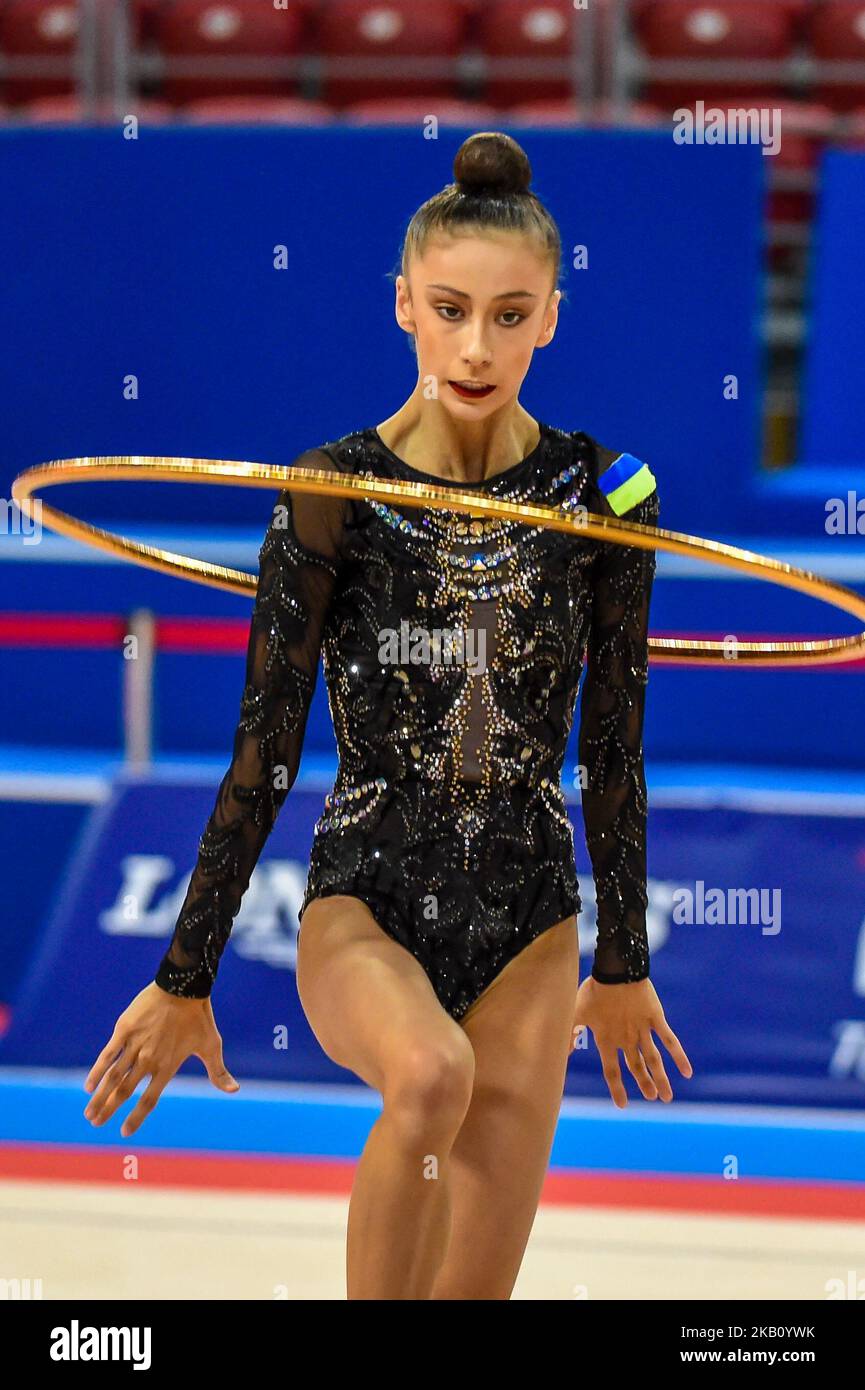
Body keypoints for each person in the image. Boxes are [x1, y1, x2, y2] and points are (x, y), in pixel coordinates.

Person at [84, 130, 692, 1299]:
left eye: (510, 315)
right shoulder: (332, 494)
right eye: (451, 308)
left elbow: (613, 747)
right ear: (402, 303)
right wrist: (184, 974)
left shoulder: (609, 496)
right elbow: (262, 753)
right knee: (425, 1075)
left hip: (531, 917)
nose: (477, 346)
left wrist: (620, 960)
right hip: (368, 895)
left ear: (551, 316)